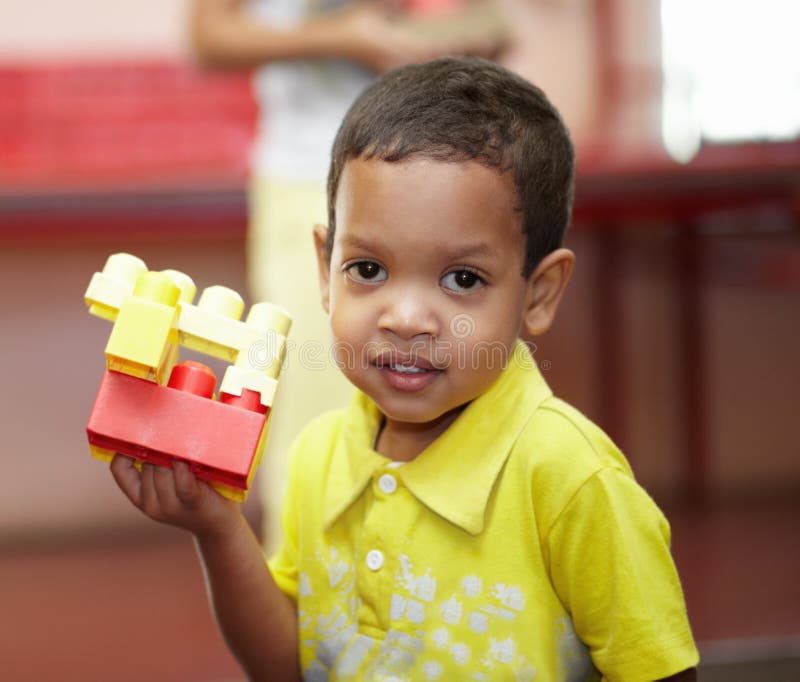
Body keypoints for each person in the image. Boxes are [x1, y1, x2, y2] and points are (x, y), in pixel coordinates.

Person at [110, 57, 699, 680]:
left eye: (462, 279)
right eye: (368, 270)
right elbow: (287, 664)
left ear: (538, 293)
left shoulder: (569, 477)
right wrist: (218, 529)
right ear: (324, 269)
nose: (408, 318)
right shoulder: (318, 459)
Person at [189, 0, 506, 552]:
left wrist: (421, 42)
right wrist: (344, 36)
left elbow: (493, 25)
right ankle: (305, 588)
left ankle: (422, 578)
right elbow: (208, 37)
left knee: (434, 397)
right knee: (313, 401)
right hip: (306, 179)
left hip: (424, 175)